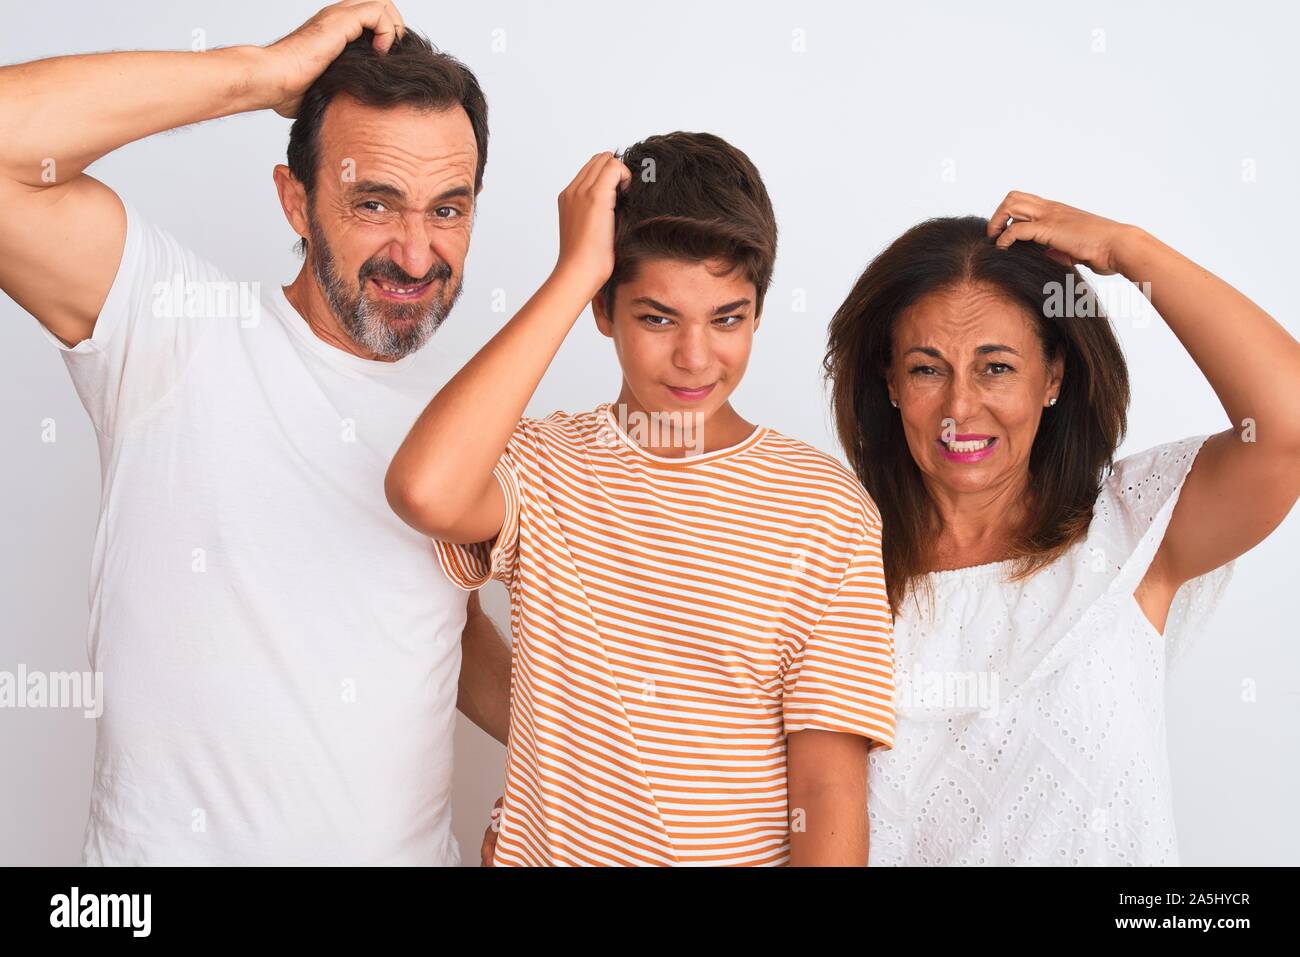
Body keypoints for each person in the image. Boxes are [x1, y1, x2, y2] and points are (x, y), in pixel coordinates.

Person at [0, 2, 512, 865]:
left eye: (448, 210)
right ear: (297, 200)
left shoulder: (469, 422)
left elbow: (428, 627)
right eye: (376, 203)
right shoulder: (171, 326)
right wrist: (262, 73)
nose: (417, 254)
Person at [387, 132, 897, 866]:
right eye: (658, 317)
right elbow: (423, 488)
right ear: (604, 308)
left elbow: (827, 789)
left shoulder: (825, 505)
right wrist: (573, 271)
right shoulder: (540, 463)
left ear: (757, 312)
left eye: (726, 317)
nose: (695, 357)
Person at [823, 192, 1300, 865]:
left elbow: (1289, 427)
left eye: (997, 367)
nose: (961, 406)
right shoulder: (829, 567)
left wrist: (1129, 248)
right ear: (891, 382)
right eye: (928, 368)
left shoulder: (1132, 529)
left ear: (1053, 376)